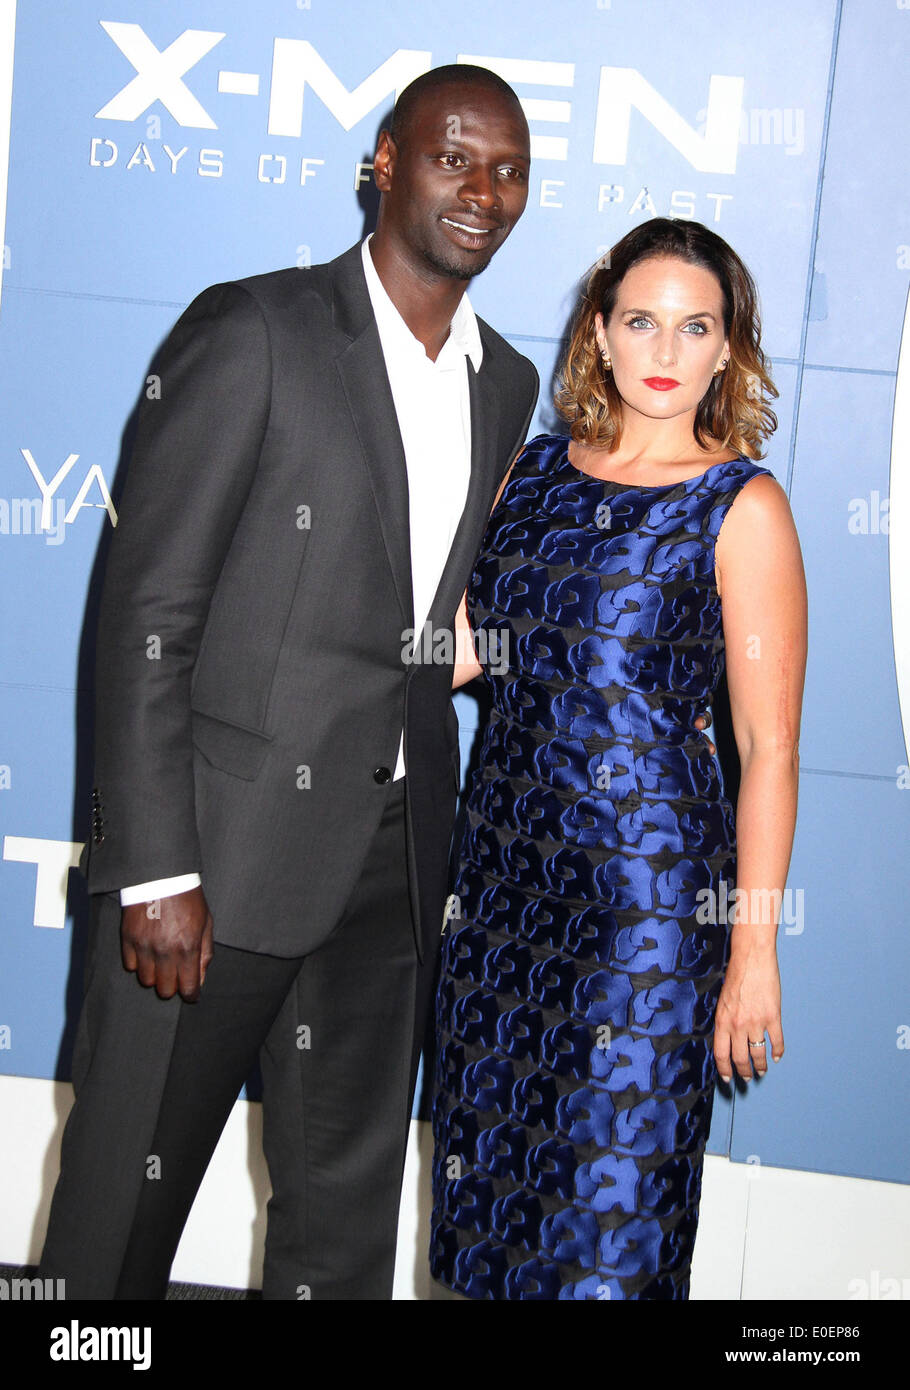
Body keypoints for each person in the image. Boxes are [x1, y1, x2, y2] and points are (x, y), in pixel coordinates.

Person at [38, 64, 539, 1301]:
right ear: (383, 161)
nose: (483, 189)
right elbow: (149, 613)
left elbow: (418, 616)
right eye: (454, 156)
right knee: (117, 1226)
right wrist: (154, 866)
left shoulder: (505, 384)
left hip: (393, 868)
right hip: (214, 861)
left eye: (511, 169)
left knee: (342, 1229)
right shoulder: (254, 328)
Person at [429, 217, 808, 1300]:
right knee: (490, 1215)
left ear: (727, 348)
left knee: (609, 1225)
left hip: (643, 913)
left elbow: (766, 749)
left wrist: (752, 954)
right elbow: (454, 651)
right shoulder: (534, 474)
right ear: (598, 331)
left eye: (696, 327)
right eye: (640, 319)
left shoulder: (740, 505)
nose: (664, 348)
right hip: (499, 892)